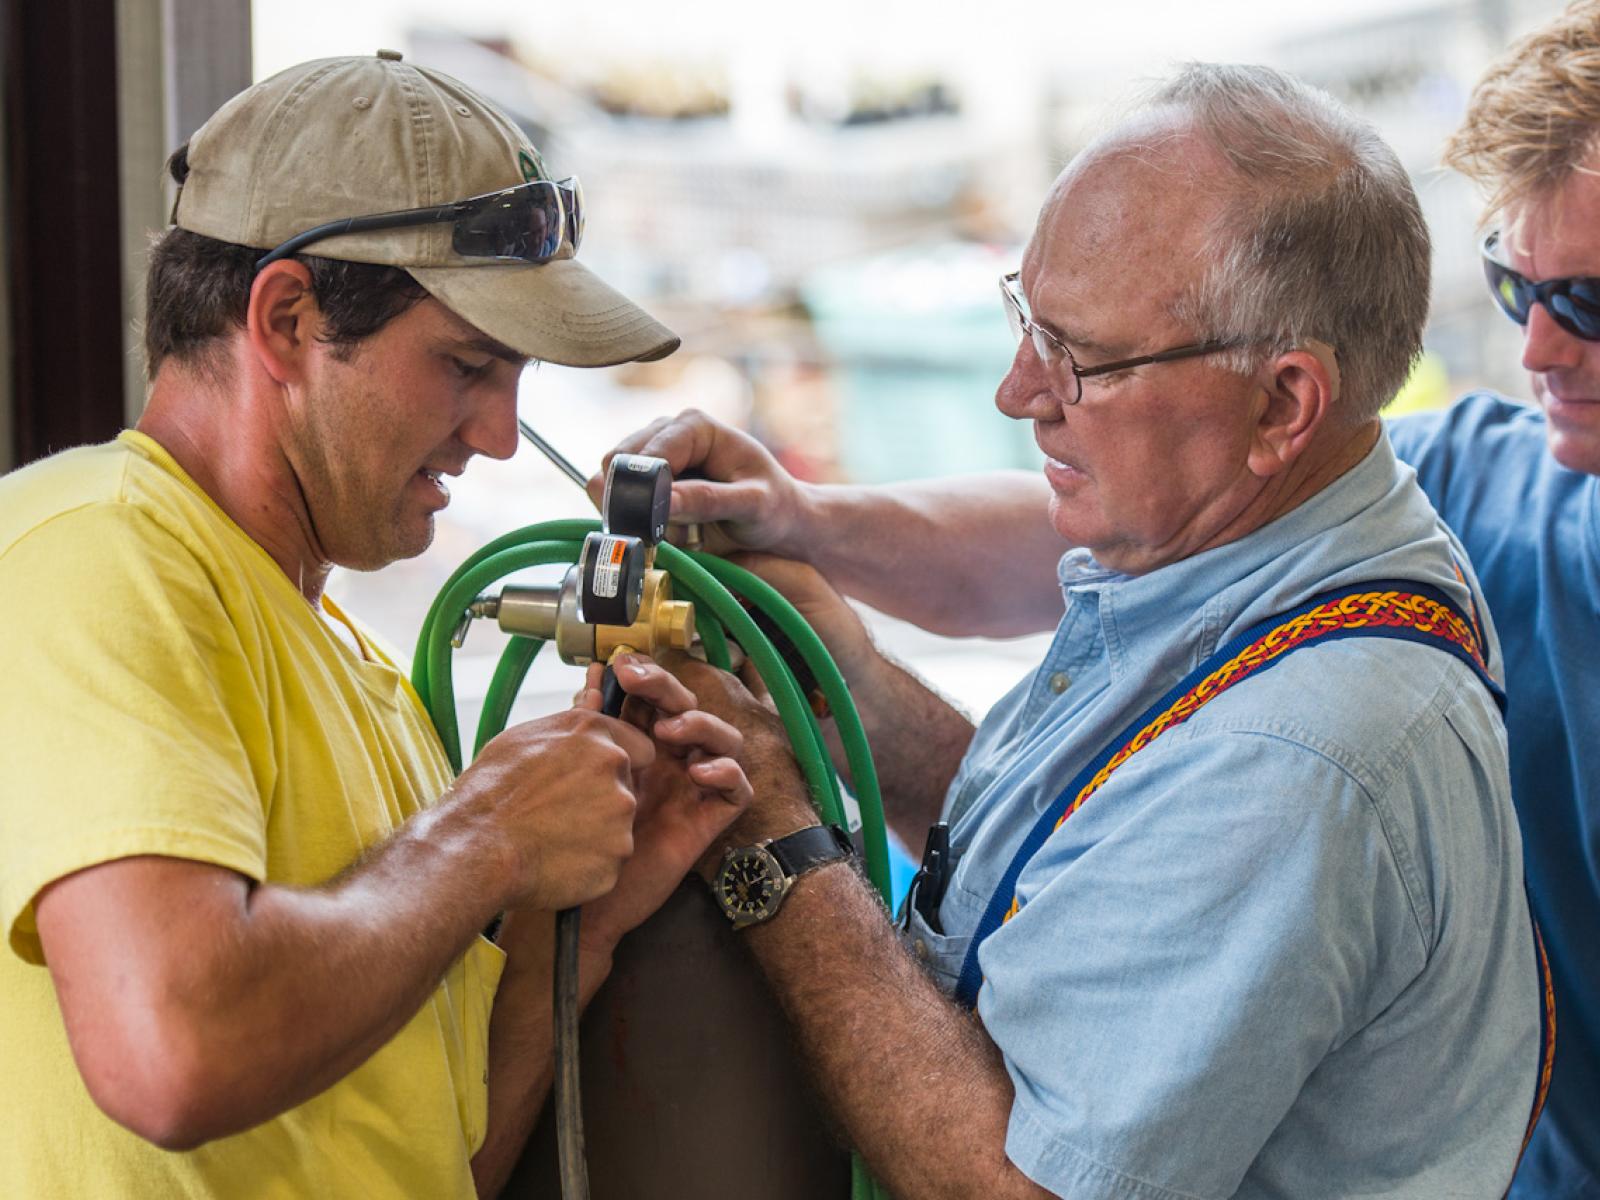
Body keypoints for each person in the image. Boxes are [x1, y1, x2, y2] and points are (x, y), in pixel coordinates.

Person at [602, 64, 1543, 1197]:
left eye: (1080, 359)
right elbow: (1092, 864)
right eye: (1026, 320)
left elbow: (1024, 1188)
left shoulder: (1293, 758)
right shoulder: (1264, 552)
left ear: (1282, 404)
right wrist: (839, 687)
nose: (1017, 392)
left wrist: (768, 830)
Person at [0, 53, 751, 1198]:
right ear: (287, 319)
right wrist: (488, 834)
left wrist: (570, 930)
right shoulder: (92, 549)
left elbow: (426, 1164)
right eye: (466, 365)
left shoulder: (363, 679)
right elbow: (172, 1052)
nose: (500, 435)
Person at [1383, 6, 1600, 1195]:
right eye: (1518, 290)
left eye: (1593, 305)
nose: (1539, 353)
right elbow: (1135, 523)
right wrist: (818, 523)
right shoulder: (1490, 496)